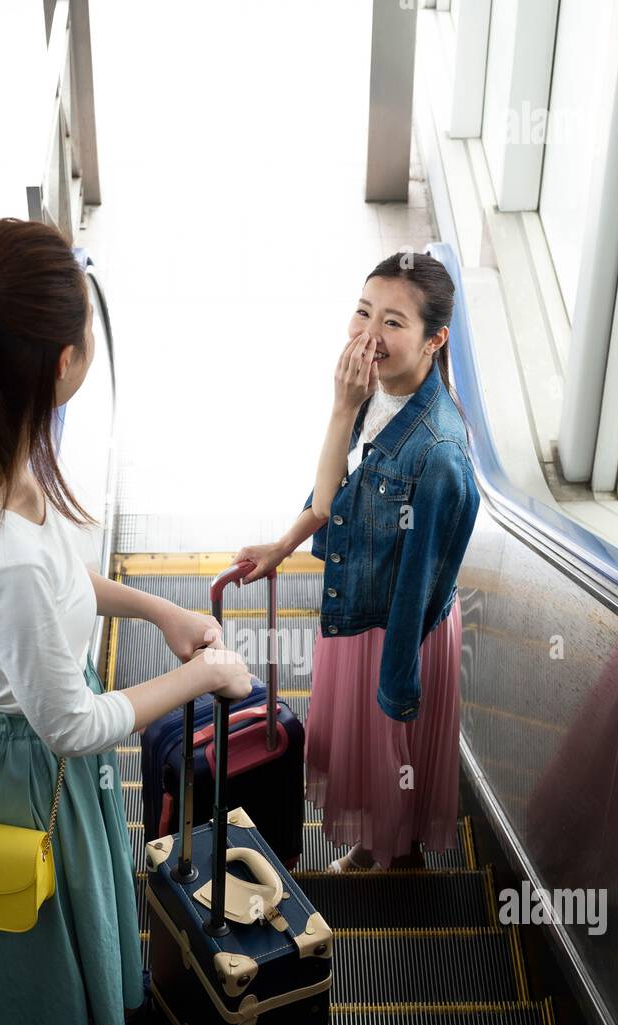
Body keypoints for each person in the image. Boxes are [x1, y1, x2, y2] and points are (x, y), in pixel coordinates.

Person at [0, 217, 253, 1025]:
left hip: (0, 736)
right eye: (86, 329)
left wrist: (156, 607)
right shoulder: (2, 537)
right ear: (62, 365)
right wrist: (204, 676)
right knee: (27, 930)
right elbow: (73, 724)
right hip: (26, 761)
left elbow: (58, 580)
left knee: (34, 921)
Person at [235, 251, 479, 871]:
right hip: (355, 614)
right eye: (363, 312)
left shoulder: (441, 453)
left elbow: (422, 584)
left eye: (394, 322)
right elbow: (333, 493)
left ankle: (397, 860)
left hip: (398, 631)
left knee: (392, 751)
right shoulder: (372, 393)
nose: (370, 334)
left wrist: (396, 683)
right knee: (368, 757)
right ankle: (376, 847)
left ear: (435, 340)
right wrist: (284, 544)